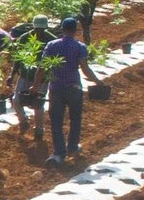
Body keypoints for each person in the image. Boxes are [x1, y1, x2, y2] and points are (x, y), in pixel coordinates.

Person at [41, 16, 104, 167]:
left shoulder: (51, 45)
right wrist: (97, 81)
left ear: (62, 29)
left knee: (56, 122)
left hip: (56, 88)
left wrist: (35, 87)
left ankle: (59, 153)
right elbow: (84, 68)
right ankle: (73, 147)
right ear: (76, 31)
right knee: (75, 118)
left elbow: (42, 68)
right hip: (74, 88)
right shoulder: (79, 46)